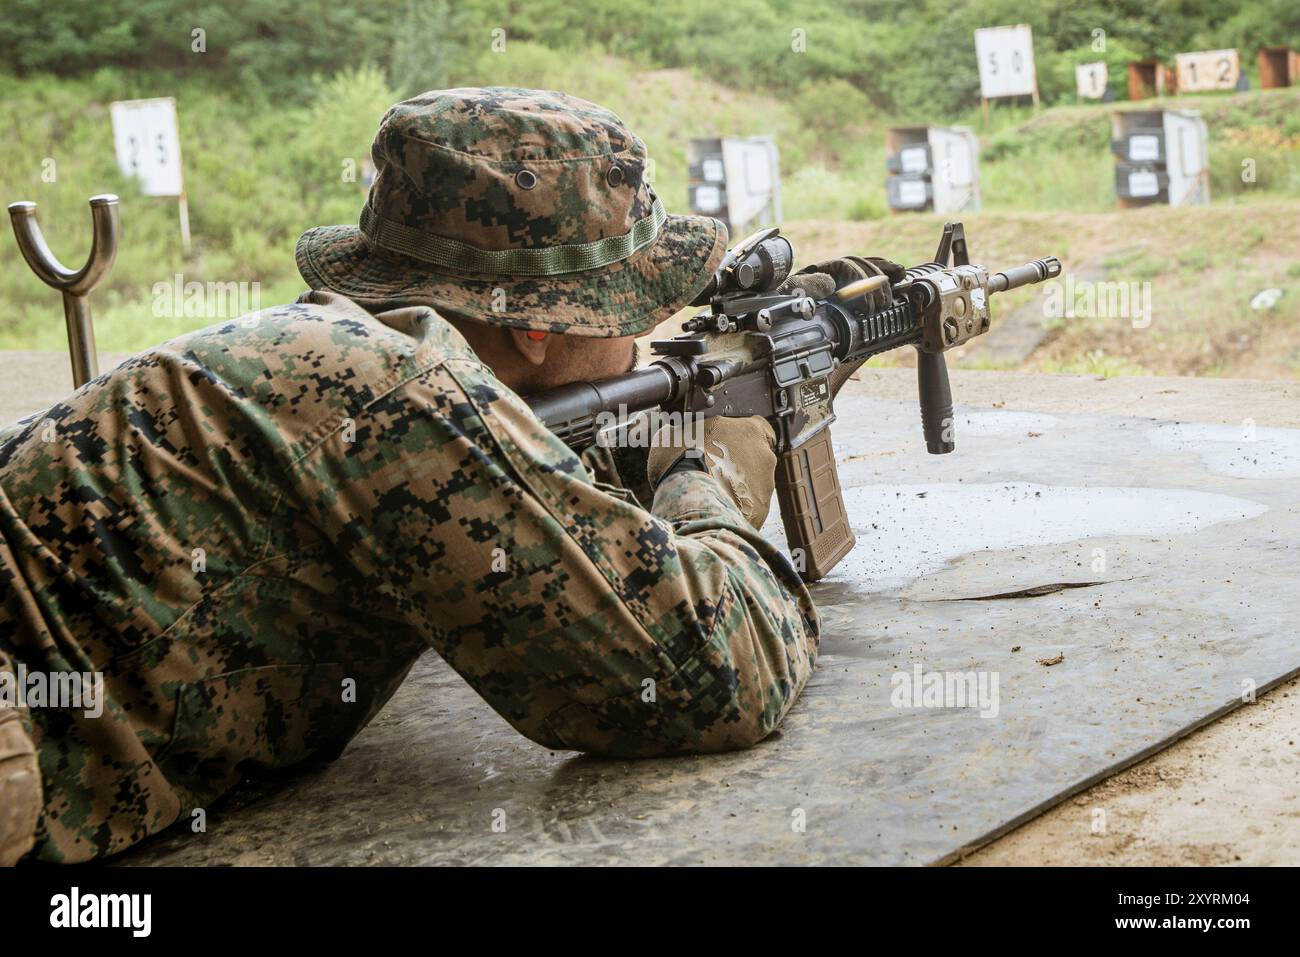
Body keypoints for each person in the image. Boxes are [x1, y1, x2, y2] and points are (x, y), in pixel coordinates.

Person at [0, 87, 819, 864]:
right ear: (537, 326)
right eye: (633, 311)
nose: (641, 342)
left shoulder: (331, 347)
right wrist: (700, 469)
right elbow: (718, 669)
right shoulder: (396, 390)